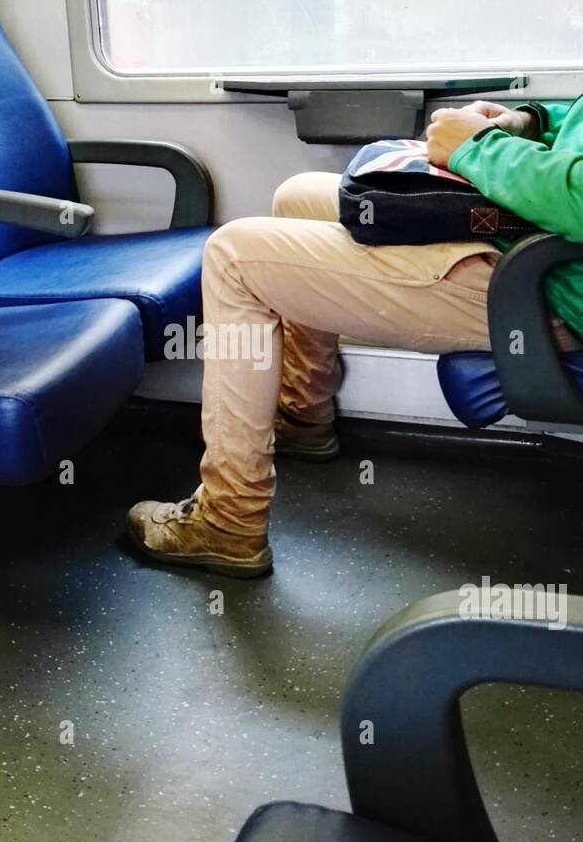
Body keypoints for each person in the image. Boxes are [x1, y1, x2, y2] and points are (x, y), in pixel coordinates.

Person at [127, 96, 583, 576]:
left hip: (543, 286)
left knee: (232, 256)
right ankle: (303, 414)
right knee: (297, 196)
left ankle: (228, 519)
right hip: (527, 235)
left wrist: (479, 148)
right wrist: (532, 119)